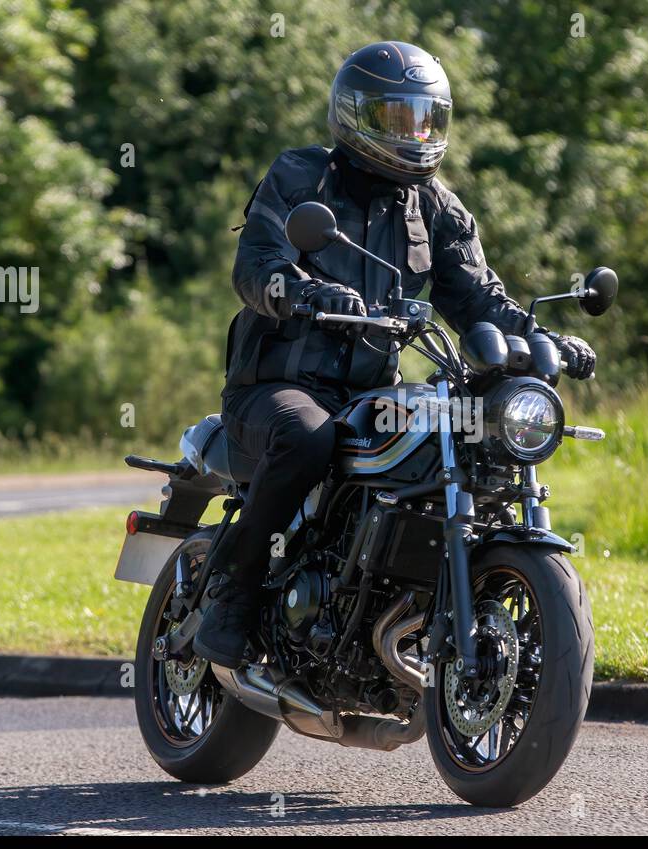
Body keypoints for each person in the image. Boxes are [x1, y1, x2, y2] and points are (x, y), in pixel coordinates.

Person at [193, 40, 596, 667]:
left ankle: (406, 598)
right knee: (307, 439)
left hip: (366, 393)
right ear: (354, 115)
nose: (413, 134)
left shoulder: (436, 207)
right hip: (275, 388)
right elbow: (256, 268)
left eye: (425, 119)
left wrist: (541, 337)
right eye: (395, 119)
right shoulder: (303, 177)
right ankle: (234, 590)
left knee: (454, 434)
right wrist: (302, 292)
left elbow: (476, 297)